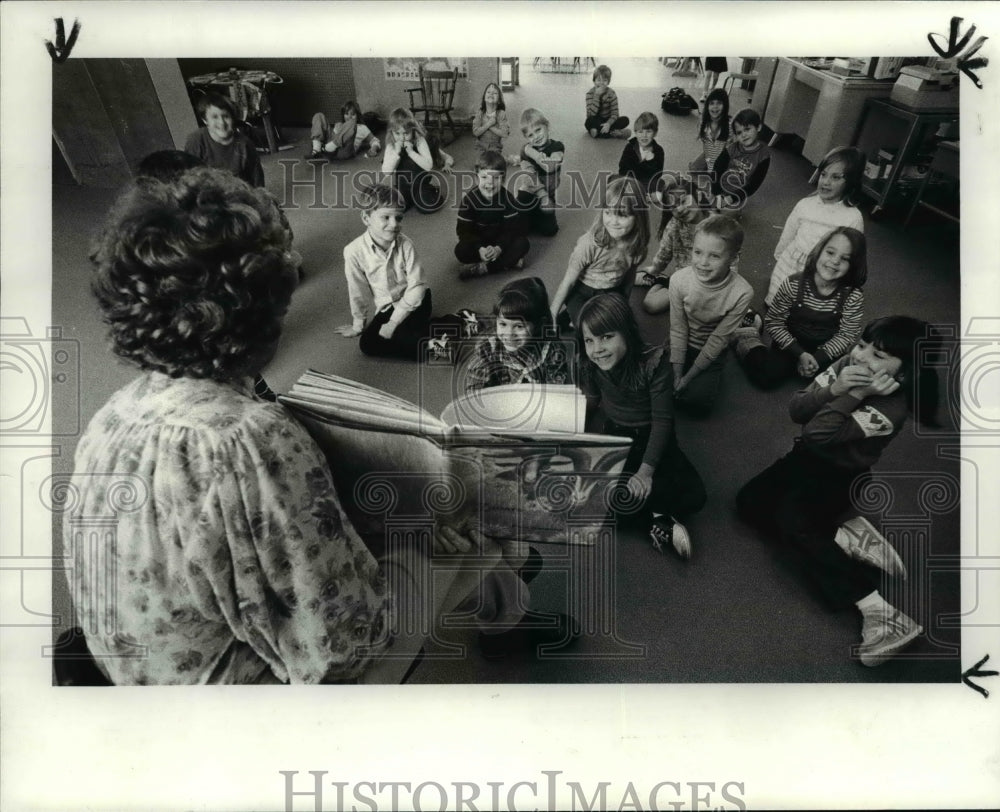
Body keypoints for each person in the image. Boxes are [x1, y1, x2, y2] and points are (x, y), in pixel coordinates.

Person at [74, 167, 490, 684]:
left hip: (142, 679)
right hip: (235, 715)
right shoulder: (252, 441)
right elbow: (342, 648)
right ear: (264, 307)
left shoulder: (108, 416)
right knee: (462, 533)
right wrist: (409, 529)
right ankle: (499, 614)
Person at [737, 316, 940, 666]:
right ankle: (846, 536)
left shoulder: (890, 410)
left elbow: (819, 432)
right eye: (862, 345)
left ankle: (877, 609)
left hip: (840, 477)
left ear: (903, 374)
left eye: (879, 356)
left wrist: (855, 393)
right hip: (804, 459)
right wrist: (835, 386)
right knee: (749, 504)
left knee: (792, 520)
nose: (862, 357)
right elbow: (796, 408)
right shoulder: (848, 365)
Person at [578, 294, 706, 557]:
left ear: (626, 332)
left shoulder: (654, 363)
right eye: (589, 340)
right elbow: (591, 400)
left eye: (606, 337)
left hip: (653, 435)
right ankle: (656, 519)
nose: (597, 349)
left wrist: (646, 472)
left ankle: (650, 510)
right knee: (606, 507)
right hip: (618, 435)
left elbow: (662, 421)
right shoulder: (588, 363)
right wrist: (572, 431)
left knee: (696, 496)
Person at [734, 227, 867, 390]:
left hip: (825, 347)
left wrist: (818, 358)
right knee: (766, 377)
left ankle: (808, 365)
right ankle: (747, 335)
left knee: (834, 385)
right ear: (819, 251)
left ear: (854, 265)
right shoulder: (793, 284)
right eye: (830, 252)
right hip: (789, 342)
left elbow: (847, 334)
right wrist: (800, 354)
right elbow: (775, 322)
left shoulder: (853, 295)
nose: (835, 261)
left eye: (845, 259)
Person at [336, 183, 432, 361]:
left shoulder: (406, 245)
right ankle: (432, 340)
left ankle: (447, 327)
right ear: (366, 218)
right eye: (386, 217)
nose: (394, 224)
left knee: (404, 333)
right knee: (367, 344)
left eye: (399, 218)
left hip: (417, 301)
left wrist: (393, 323)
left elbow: (417, 286)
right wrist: (358, 324)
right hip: (388, 306)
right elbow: (357, 290)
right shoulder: (353, 252)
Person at [668, 214, 753, 416]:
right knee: (659, 389)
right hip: (683, 339)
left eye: (714, 256)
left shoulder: (743, 292)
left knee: (696, 404)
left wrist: (687, 379)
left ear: (734, 258)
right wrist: (677, 373)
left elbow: (718, 339)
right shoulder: (678, 280)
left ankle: (749, 329)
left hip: (713, 347)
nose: (703, 262)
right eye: (697, 252)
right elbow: (678, 329)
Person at [767, 146, 865, 307]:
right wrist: (779, 255)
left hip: (825, 268)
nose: (826, 182)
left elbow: (854, 254)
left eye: (836, 177)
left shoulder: (853, 217)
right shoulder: (805, 205)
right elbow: (788, 233)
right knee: (781, 299)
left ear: (850, 181)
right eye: (824, 174)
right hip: (792, 262)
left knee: (811, 305)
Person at [549, 176, 649, 329]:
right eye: (608, 212)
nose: (613, 221)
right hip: (581, 292)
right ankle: (571, 317)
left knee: (619, 327)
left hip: (611, 291)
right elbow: (568, 281)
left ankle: (571, 318)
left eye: (622, 215)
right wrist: (553, 312)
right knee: (591, 329)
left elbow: (629, 276)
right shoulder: (589, 244)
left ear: (639, 216)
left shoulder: (638, 246)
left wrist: (624, 304)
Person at [464, 276, 572, 392]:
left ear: (539, 324)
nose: (509, 335)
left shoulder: (553, 349)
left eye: (519, 326)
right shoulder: (487, 348)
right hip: (497, 400)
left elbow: (556, 387)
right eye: (503, 324)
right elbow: (474, 388)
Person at [637, 179, 712, 314]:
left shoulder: (717, 225)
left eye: (683, 201)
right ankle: (659, 280)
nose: (680, 209)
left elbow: (730, 257)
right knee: (651, 304)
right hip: (683, 280)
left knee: (710, 311)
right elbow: (664, 252)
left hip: (711, 283)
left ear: (698, 196)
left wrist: (726, 287)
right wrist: (655, 269)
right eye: (673, 207)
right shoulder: (674, 225)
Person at [454, 150, 529, 279]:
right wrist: (480, 248)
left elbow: (511, 230)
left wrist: (499, 248)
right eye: (484, 177)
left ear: (503, 179)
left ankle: (483, 268)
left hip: (501, 242)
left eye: (496, 178)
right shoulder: (469, 200)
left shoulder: (507, 198)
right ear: (476, 177)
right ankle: (508, 263)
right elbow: (463, 231)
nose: (490, 183)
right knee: (460, 250)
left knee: (523, 243)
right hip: (479, 241)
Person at [183, 92, 264, 188]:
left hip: (237, 194)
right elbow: (188, 178)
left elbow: (257, 182)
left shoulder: (245, 144)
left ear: (232, 118)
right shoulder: (196, 140)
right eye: (214, 117)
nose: (221, 122)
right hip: (207, 194)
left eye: (226, 116)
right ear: (205, 120)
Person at [507, 107, 564, 236]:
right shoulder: (525, 150)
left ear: (547, 126)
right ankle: (518, 214)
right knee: (519, 229)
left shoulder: (558, 147)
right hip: (529, 193)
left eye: (538, 130)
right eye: (530, 135)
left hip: (548, 193)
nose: (536, 137)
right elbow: (530, 176)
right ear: (526, 137)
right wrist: (543, 196)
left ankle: (533, 216)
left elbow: (549, 167)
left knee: (550, 231)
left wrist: (532, 153)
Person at [381, 107, 446, 213]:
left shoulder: (419, 140)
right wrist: (396, 153)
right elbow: (386, 172)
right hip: (403, 185)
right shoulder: (391, 145)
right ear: (391, 132)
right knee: (395, 209)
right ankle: (408, 199)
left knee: (427, 207)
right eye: (397, 133)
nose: (402, 138)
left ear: (413, 130)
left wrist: (411, 152)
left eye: (406, 133)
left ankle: (433, 191)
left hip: (421, 183)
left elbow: (428, 166)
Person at [711, 108, 771, 210]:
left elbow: (754, 185)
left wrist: (732, 198)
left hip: (738, 194)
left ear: (759, 127)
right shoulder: (732, 148)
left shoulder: (763, 156)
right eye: (739, 132)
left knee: (726, 218)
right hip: (719, 187)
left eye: (747, 129)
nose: (743, 135)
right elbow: (717, 169)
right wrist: (715, 192)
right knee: (701, 203)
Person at [305, 99, 381, 161]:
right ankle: (317, 148)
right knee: (319, 115)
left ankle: (327, 148)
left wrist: (374, 149)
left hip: (344, 151)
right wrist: (335, 131)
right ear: (343, 115)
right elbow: (332, 136)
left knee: (351, 124)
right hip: (330, 147)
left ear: (358, 115)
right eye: (346, 114)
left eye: (353, 114)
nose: (349, 117)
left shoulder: (362, 127)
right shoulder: (340, 124)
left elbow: (374, 140)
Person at [616, 111, 666, 201]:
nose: (644, 135)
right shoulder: (630, 147)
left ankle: (640, 195)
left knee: (661, 183)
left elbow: (657, 175)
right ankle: (643, 196)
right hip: (631, 180)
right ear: (635, 132)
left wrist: (650, 161)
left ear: (655, 133)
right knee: (613, 179)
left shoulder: (659, 150)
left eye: (648, 132)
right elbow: (622, 168)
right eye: (640, 132)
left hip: (647, 182)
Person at [689, 87, 730, 174]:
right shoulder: (702, 123)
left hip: (725, 156)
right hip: (711, 153)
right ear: (707, 106)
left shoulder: (730, 126)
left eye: (719, 103)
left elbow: (731, 151)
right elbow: (707, 146)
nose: (715, 107)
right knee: (693, 169)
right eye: (712, 103)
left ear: (725, 105)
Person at [584, 64, 631, 139]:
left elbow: (615, 113)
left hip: (608, 120)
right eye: (598, 80)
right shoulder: (589, 94)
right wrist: (596, 96)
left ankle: (598, 132)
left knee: (625, 120)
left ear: (608, 82)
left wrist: (608, 124)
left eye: (604, 80)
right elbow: (591, 114)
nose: (601, 83)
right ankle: (614, 133)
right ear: (594, 81)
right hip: (596, 120)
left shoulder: (611, 94)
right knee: (588, 121)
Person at [471, 82, 510, 162]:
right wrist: (489, 123)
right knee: (479, 166)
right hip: (480, 146)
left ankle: (506, 159)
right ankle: (504, 159)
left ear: (499, 100)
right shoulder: (480, 113)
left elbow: (505, 133)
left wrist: (491, 126)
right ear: (484, 97)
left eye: (495, 93)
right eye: (488, 92)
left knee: (494, 166)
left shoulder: (501, 114)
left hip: (495, 146)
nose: (491, 94)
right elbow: (476, 132)